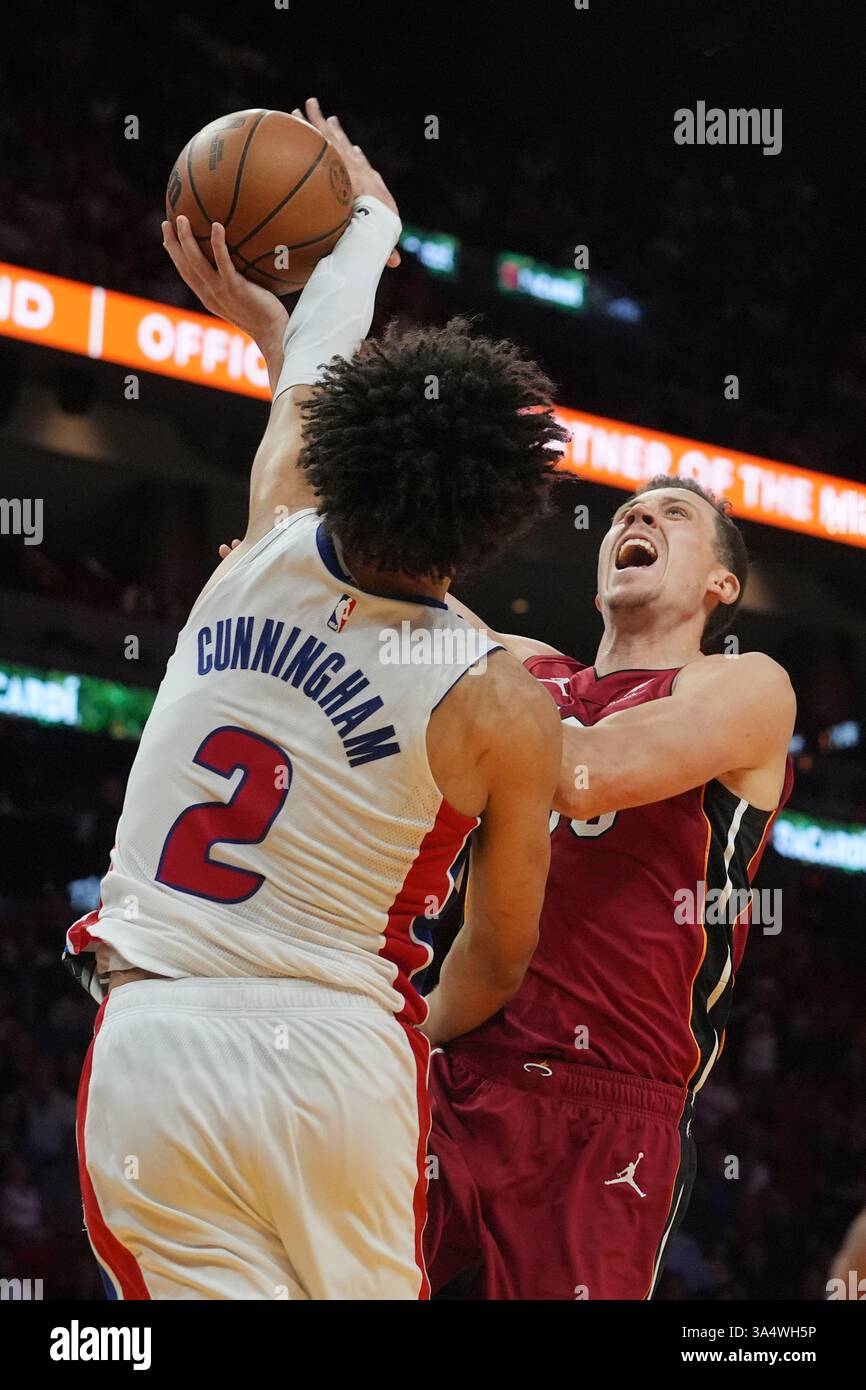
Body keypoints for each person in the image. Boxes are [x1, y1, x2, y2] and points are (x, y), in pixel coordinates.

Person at [65, 99, 564, 1300]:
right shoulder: (501, 695)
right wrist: (407, 1036)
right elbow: (497, 958)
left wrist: (367, 220)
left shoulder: (272, 532)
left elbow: (322, 355)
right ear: (495, 525)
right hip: (336, 1055)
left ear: (332, 455)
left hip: (157, 1033)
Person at [423, 476, 796, 1299]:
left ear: (719, 586)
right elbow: (404, 611)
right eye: (630, 512)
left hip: (614, 1111)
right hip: (456, 1071)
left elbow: (591, 775)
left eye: (673, 515)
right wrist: (297, 578)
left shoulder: (746, 686)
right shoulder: (525, 666)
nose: (637, 517)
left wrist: (478, 698)